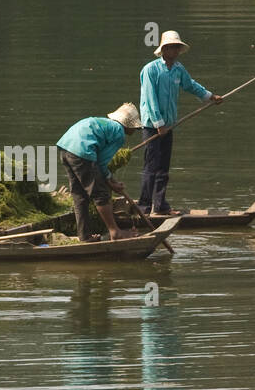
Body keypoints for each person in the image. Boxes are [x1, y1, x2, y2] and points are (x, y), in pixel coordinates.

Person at [138, 29, 223, 215]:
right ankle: (144, 207)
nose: (176, 51)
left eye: (178, 48)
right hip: (153, 126)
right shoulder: (150, 70)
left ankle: (160, 205)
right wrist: (158, 123)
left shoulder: (178, 69)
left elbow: (190, 85)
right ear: (165, 49)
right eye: (173, 48)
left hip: (169, 125)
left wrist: (210, 96)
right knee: (151, 167)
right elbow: (150, 99)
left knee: (163, 168)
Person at [56, 103, 142, 242]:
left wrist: (110, 180)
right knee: (100, 194)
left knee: (80, 195)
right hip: (82, 152)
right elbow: (101, 162)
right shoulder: (119, 133)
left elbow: (99, 163)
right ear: (128, 125)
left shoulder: (105, 123)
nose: (134, 131)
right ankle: (115, 232)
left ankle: (84, 236)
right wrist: (110, 182)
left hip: (66, 149)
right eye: (134, 128)